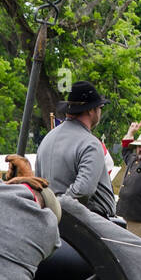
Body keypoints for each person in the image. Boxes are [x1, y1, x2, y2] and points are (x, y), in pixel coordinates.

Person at [34, 80, 116, 218]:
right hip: (87, 223)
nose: (100, 111)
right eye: (100, 107)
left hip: (53, 219)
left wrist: (54, 210)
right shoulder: (90, 143)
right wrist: (59, 207)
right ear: (91, 110)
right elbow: (83, 190)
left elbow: (38, 184)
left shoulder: (47, 139)